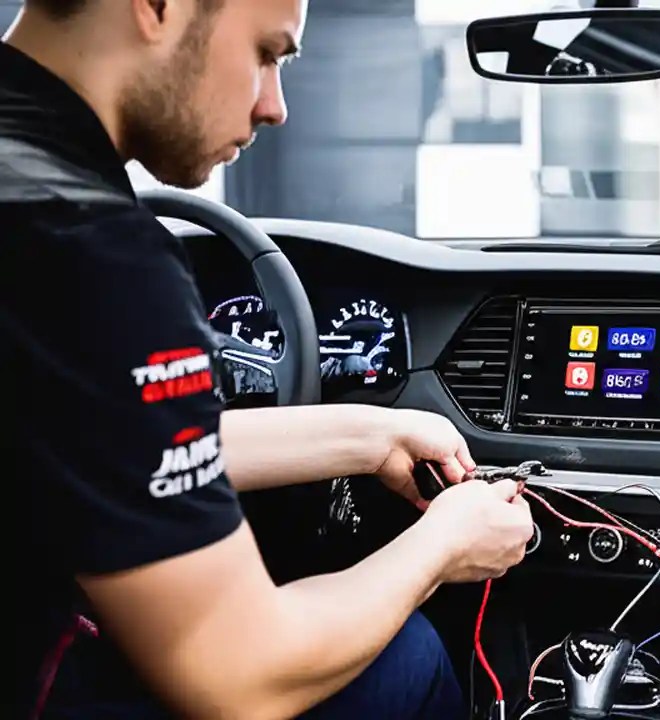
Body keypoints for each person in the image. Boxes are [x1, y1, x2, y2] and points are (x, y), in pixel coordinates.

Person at [1, 1, 535, 718]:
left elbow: (101, 441)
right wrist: (442, 546)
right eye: (267, 53)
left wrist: (368, 434)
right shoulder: (91, 249)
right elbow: (240, 676)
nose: (275, 105)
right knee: (410, 657)